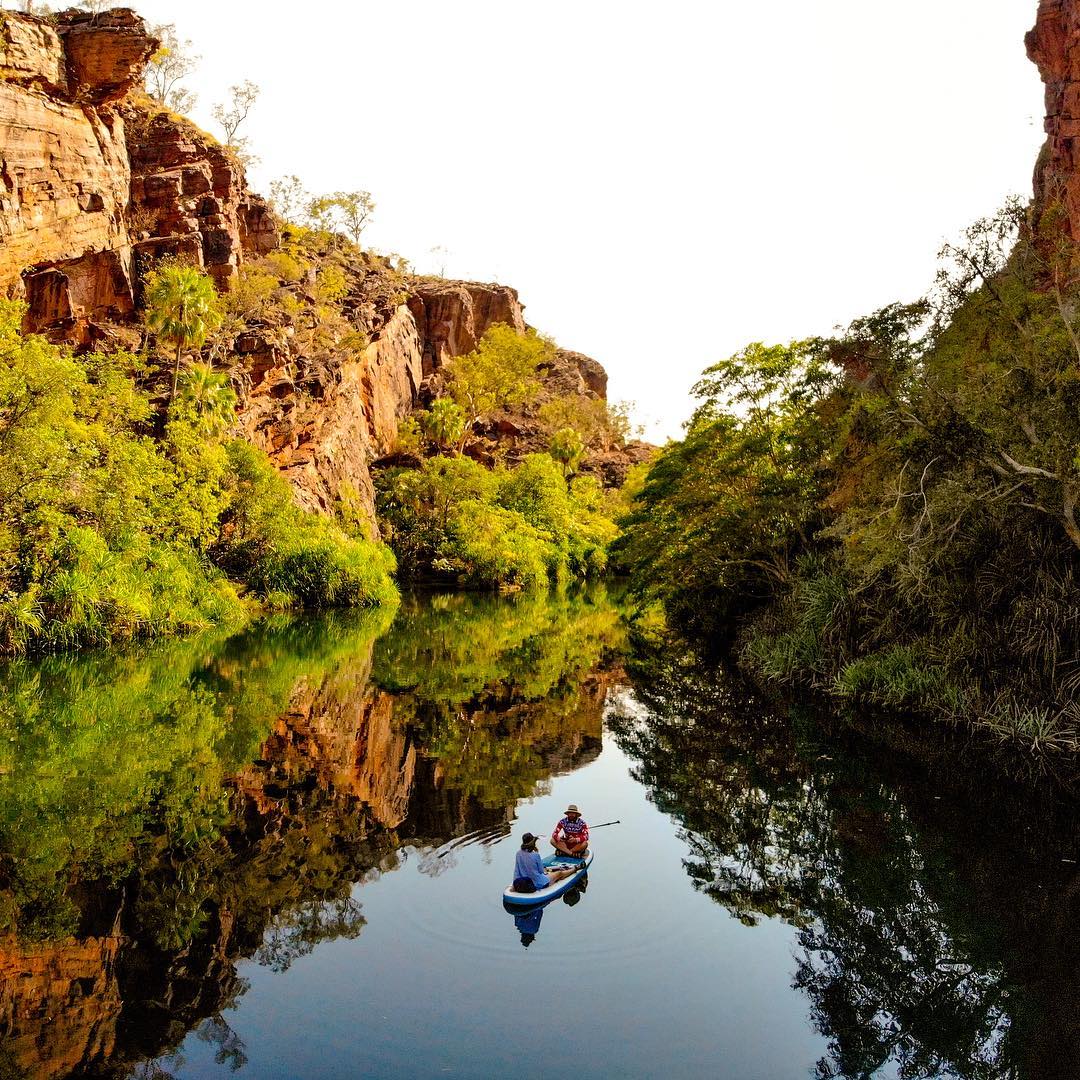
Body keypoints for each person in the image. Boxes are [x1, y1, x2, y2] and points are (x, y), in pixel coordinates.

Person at [511, 832, 578, 893]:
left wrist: (514, 885)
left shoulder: (518, 853)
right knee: (559, 873)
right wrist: (545, 872)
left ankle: (572, 869)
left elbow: (516, 871)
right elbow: (541, 871)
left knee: (548, 873)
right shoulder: (535, 855)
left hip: (524, 881)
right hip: (538, 883)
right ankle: (574, 869)